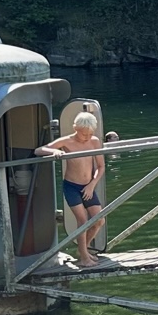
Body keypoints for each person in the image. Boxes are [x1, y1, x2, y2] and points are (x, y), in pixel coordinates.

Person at [38, 111, 106, 265]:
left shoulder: (94, 142)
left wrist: (92, 185)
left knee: (99, 220)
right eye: (83, 134)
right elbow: (39, 150)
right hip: (72, 187)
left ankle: (84, 249)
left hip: (88, 186)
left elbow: (101, 166)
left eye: (90, 134)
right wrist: (54, 150)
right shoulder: (67, 141)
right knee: (82, 221)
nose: (87, 137)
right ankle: (84, 258)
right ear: (75, 128)